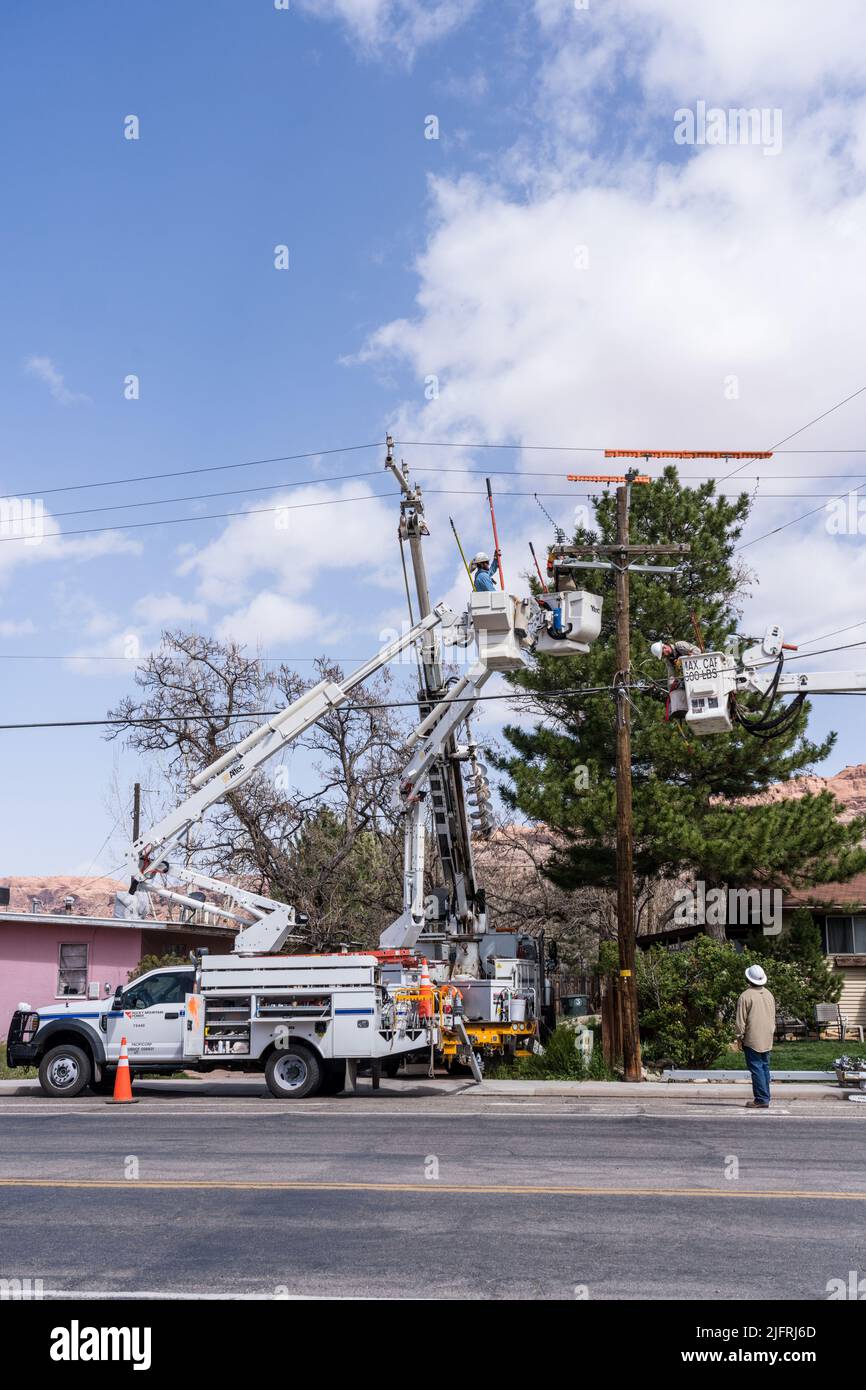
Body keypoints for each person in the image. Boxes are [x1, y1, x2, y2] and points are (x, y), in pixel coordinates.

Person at [735, 964, 776, 1109]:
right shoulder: (769, 994)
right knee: (765, 1067)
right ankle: (765, 1096)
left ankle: (761, 1099)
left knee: (756, 1068)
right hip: (767, 1035)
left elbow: (741, 1021)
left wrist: (739, 1037)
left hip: (753, 1037)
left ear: (748, 978)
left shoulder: (745, 996)